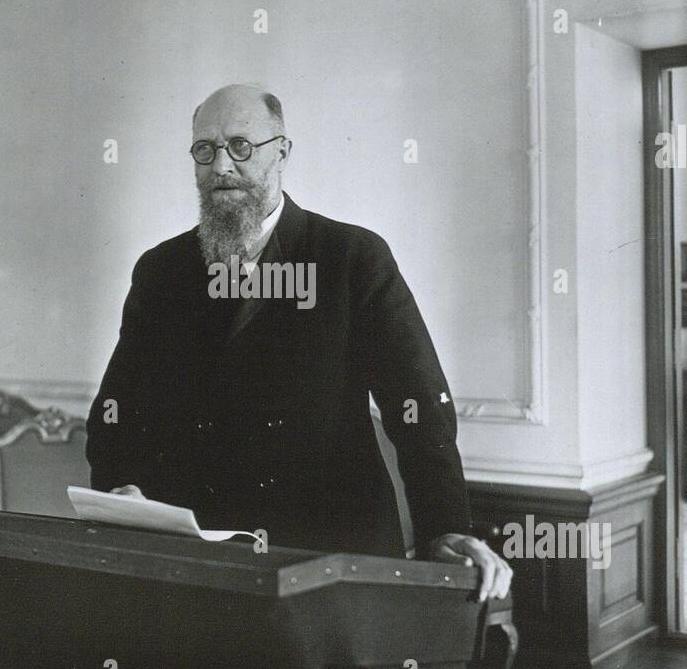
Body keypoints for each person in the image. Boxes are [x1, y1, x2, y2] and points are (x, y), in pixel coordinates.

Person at [87, 84, 511, 600]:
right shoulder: (162, 271)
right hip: (201, 564)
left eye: (240, 146)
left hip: (328, 561)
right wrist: (120, 490)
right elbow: (115, 407)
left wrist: (446, 528)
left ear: (281, 152)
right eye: (205, 150)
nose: (221, 166)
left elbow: (419, 410)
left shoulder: (352, 258)